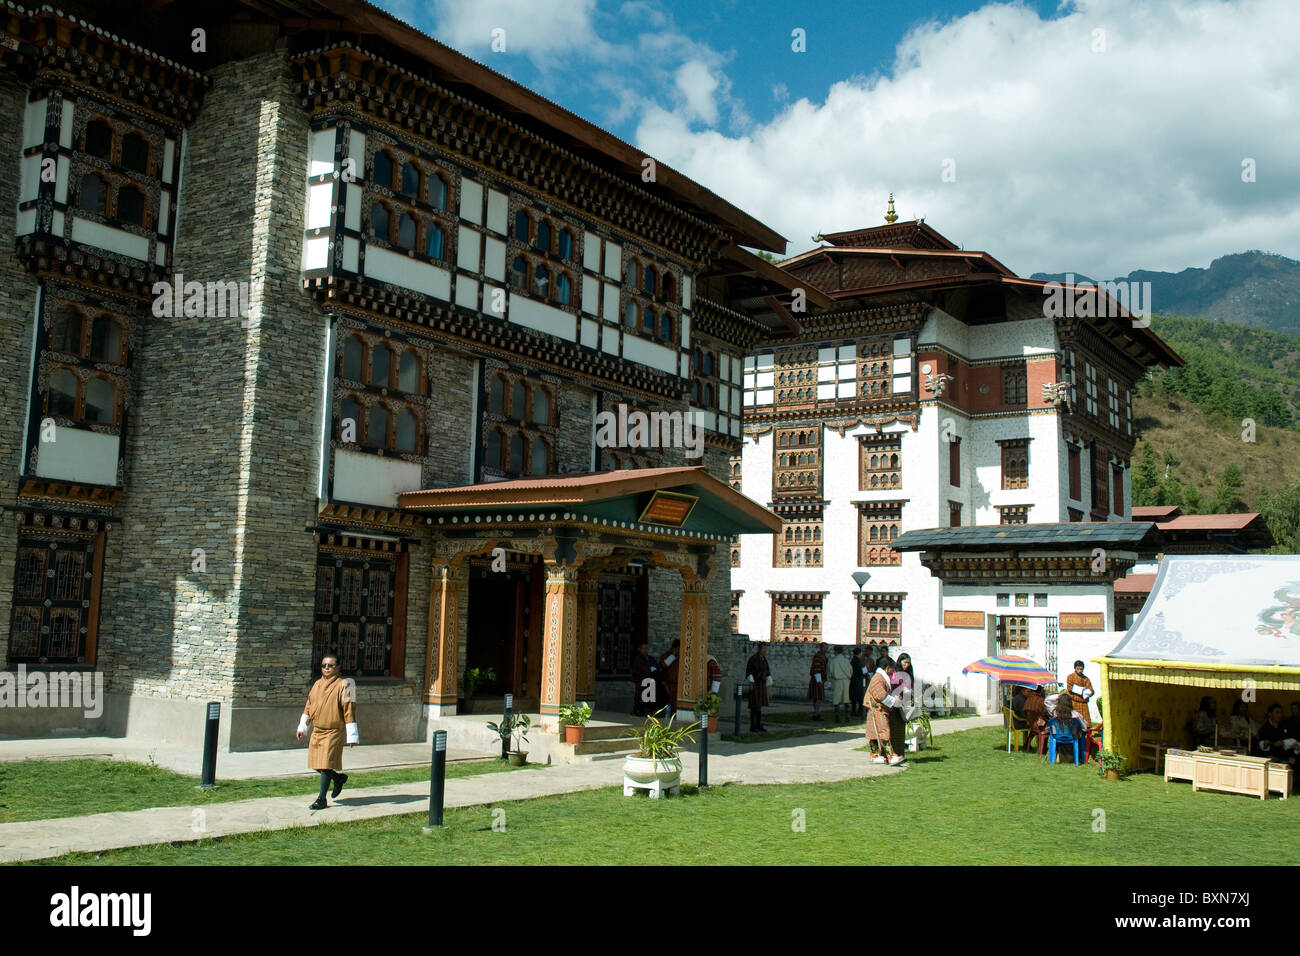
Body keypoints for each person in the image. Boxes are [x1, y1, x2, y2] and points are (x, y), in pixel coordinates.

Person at [296, 654, 358, 810]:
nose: (326, 669)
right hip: (317, 730)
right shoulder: (317, 684)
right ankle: (338, 778)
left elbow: (349, 710)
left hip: (333, 731)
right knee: (316, 763)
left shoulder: (346, 684)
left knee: (325, 764)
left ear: (338, 667)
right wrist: (303, 726)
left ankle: (321, 799)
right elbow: (309, 706)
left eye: (330, 666)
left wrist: (352, 735)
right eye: (324, 665)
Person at [865, 655, 906, 766]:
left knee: (873, 732)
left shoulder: (879, 677)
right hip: (877, 709)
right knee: (883, 731)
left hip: (877, 709)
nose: (893, 670)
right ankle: (891, 756)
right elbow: (880, 695)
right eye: (892, 668)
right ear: (887, 668)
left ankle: (875, 755)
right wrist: (894, 700)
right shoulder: (878, 678)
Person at [1256, 703, 1299, 770]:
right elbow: (1261, 747)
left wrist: (1292, 756)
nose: (1280, 715)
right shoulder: (1264, 729)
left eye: (1281, 712)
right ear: (1270, 715)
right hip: (1271, 761)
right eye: (1277, 713)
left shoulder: (1285, 726)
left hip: (1285, 759)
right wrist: (1267, 744)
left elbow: (1291, 742)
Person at [631, 641, 662, 717]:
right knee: (640, 696)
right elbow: (645, 670)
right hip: (642, 680)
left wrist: (653, 672)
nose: (645, 650)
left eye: (647, 648)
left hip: (650, 681)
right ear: (640, 649)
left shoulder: (650, 658)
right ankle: (636, 710)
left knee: (648, 697)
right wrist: (651, 671)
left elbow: (656, 668)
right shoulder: (638, 659)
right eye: (643, 648)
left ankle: (644, 711)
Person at [745, 643, 771, 732]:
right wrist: (751, 683)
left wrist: (768, 679)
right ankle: (752, 726)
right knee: (754, 705)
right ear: (759, 649)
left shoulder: (764, 659)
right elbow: (749, 671)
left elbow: (767, 670)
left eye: (766, 649)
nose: (765, 651)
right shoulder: (753, 659)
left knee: (759, 705)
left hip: (762, 684)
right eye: (764, 649)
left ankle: (758, 724)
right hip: (755, 684)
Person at [1065, 660, 1095, 726]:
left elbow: (1091, 691)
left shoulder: (1086, 679)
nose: (1079, 671)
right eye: (1078, 669)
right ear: (1075, 668)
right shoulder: (1070, 677)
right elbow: (1070, 688)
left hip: (1083, 703)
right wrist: (1081, 689)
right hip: (1073, 702)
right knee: (1074, 722)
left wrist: (1087, 690)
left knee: (1085, 723)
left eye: (1081, 669)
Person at [829, 645, 853, 722]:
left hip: (837, 681)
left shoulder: (833, 661)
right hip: (846, 681)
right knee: (846, 698)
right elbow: (850, 671)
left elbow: (830, 672)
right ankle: (847, 716)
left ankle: (837, 717)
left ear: (836, 651)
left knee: (836, 699)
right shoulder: (846, 661)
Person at [659, 639, 681, 716]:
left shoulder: (681, 657)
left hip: (678, 685)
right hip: (668, 684)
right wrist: (673, 655)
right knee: (669, 703)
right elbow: (664, 665)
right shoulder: (666, 656)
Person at [809, 642, 829, 720]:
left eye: (827, 648)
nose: (826, 649)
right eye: (825, 648)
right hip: (817, 680)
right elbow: (817, 669)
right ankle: (816, 714)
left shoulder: (823, 656)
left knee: (817, 697)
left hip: (820, 679)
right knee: (818, 697)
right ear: (821, 648)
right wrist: (819, 681)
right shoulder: (818, 656)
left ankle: (816, 713)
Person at [849, 649, 866, 719]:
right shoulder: (858, 661)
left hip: (853, 680)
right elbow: (860, 670)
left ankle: (853, 710)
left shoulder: (852, 660)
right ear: (860, 653)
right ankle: (859, 710)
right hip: (858, 680)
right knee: (860, 697)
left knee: (854, 698)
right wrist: (864, 672)